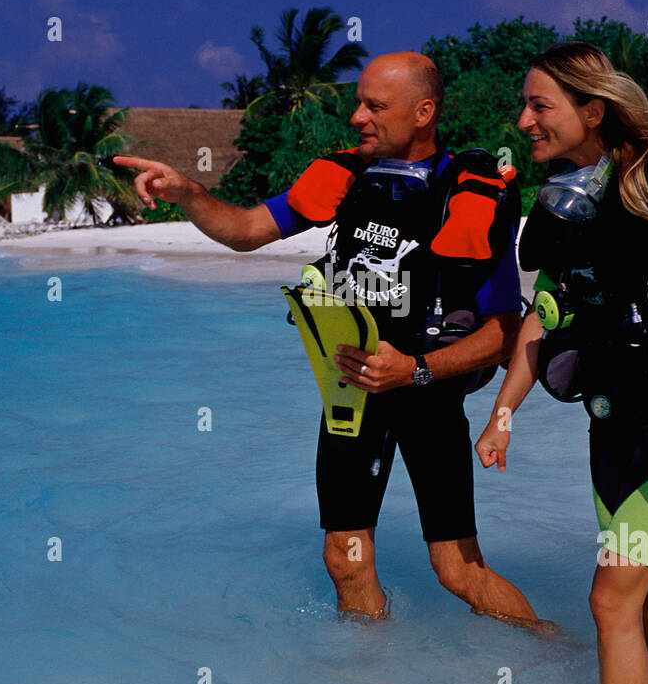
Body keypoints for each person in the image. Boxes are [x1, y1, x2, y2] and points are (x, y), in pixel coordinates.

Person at [116, 52, 540, 624]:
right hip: (351, 399)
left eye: (375, 106)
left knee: (456, 570)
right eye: (358, 102)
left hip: (426, 397)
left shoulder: (470, 194)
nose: (357, 117)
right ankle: (362, 680)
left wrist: (413, 369)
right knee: (344, 558)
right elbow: (244, 231)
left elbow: (505, 335)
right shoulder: (347, 179)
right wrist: (187, 191)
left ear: (423, 111)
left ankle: (548, 648)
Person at [475, 42, 648, 684]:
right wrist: (500, 416)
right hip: (611, 429)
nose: (523, 120)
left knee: (607, 602)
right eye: (524, 104)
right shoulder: (564, 208)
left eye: (540, 105)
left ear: (592, 111)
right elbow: (541, 321)